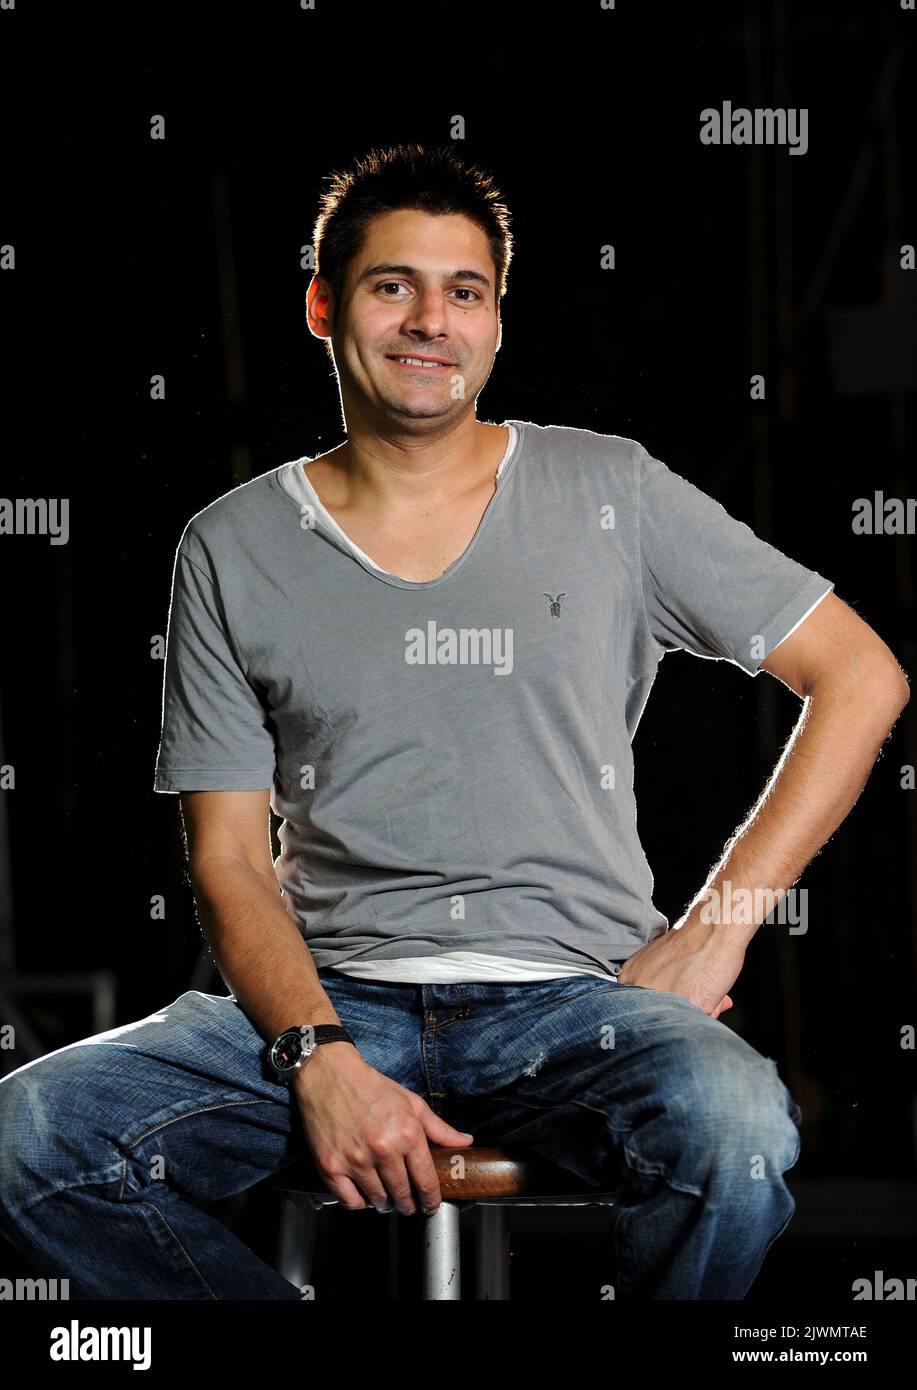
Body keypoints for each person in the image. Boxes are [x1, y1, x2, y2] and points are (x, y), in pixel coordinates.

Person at [0, 144, 909, 1301]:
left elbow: (858, 674)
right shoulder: (229, 545)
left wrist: (716, 929)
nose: (431, 320)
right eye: (392, 285)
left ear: (493, 322)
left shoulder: (607, 490)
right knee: (28, 1136)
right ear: (324, 305)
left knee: (730, 1120)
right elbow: (227, 858)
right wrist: (315, 1051)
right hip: (330, 1000)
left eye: (463, 292)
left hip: (580, 1003)